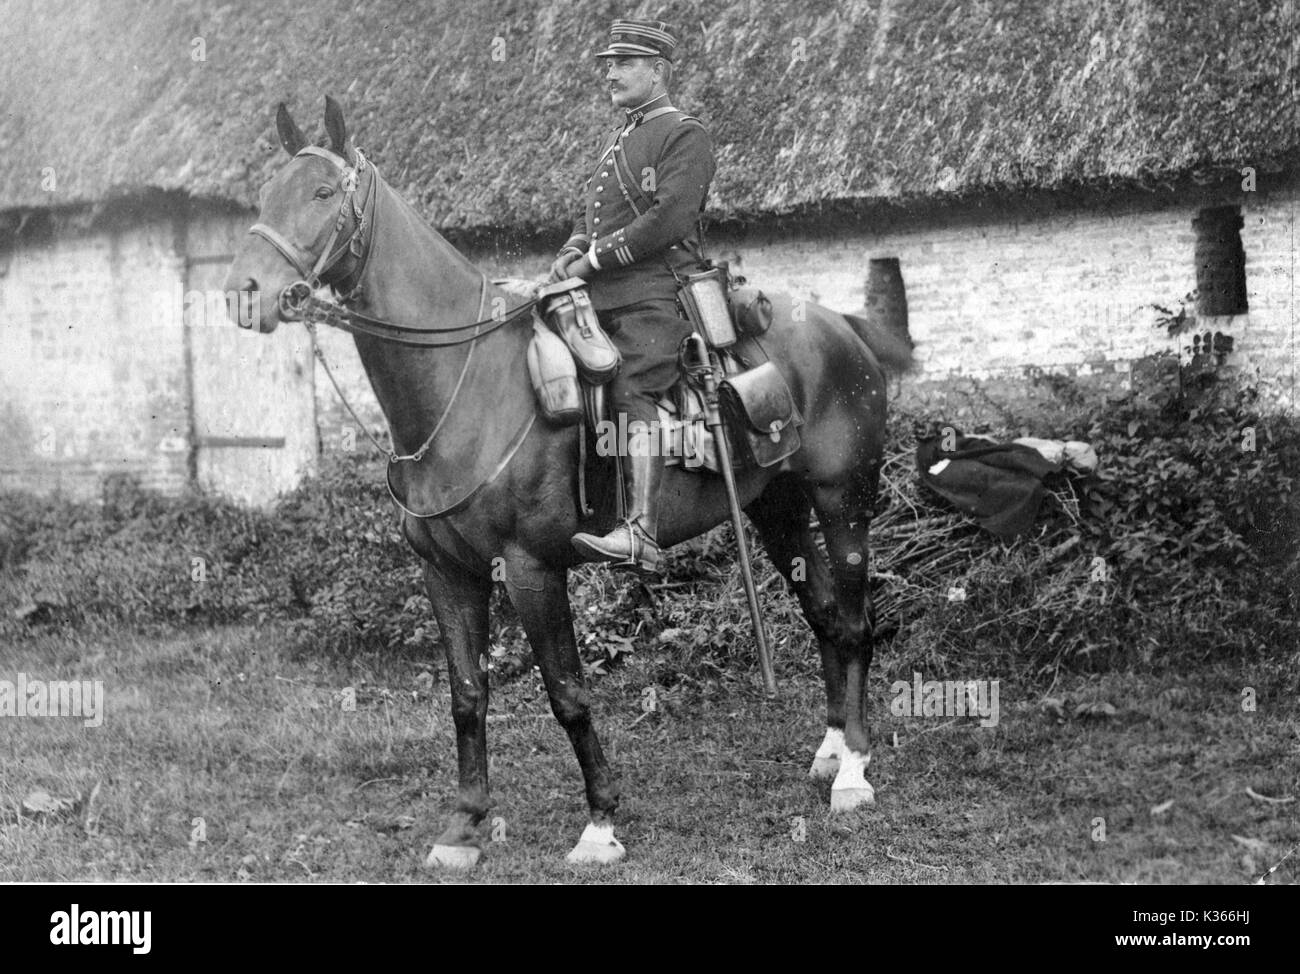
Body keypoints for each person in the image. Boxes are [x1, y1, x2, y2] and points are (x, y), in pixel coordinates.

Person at [550, 18, 716, 572]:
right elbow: (592, 215)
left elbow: (668, 218)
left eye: (624, 64)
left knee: (628, 384)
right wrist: (573, 245)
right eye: (609, 64)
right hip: (600, 299)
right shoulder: (619, 137)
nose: (611, 74)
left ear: (659, 71)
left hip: (658, 296)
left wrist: (593, 259)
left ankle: (642, 530)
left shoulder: (684, 134)